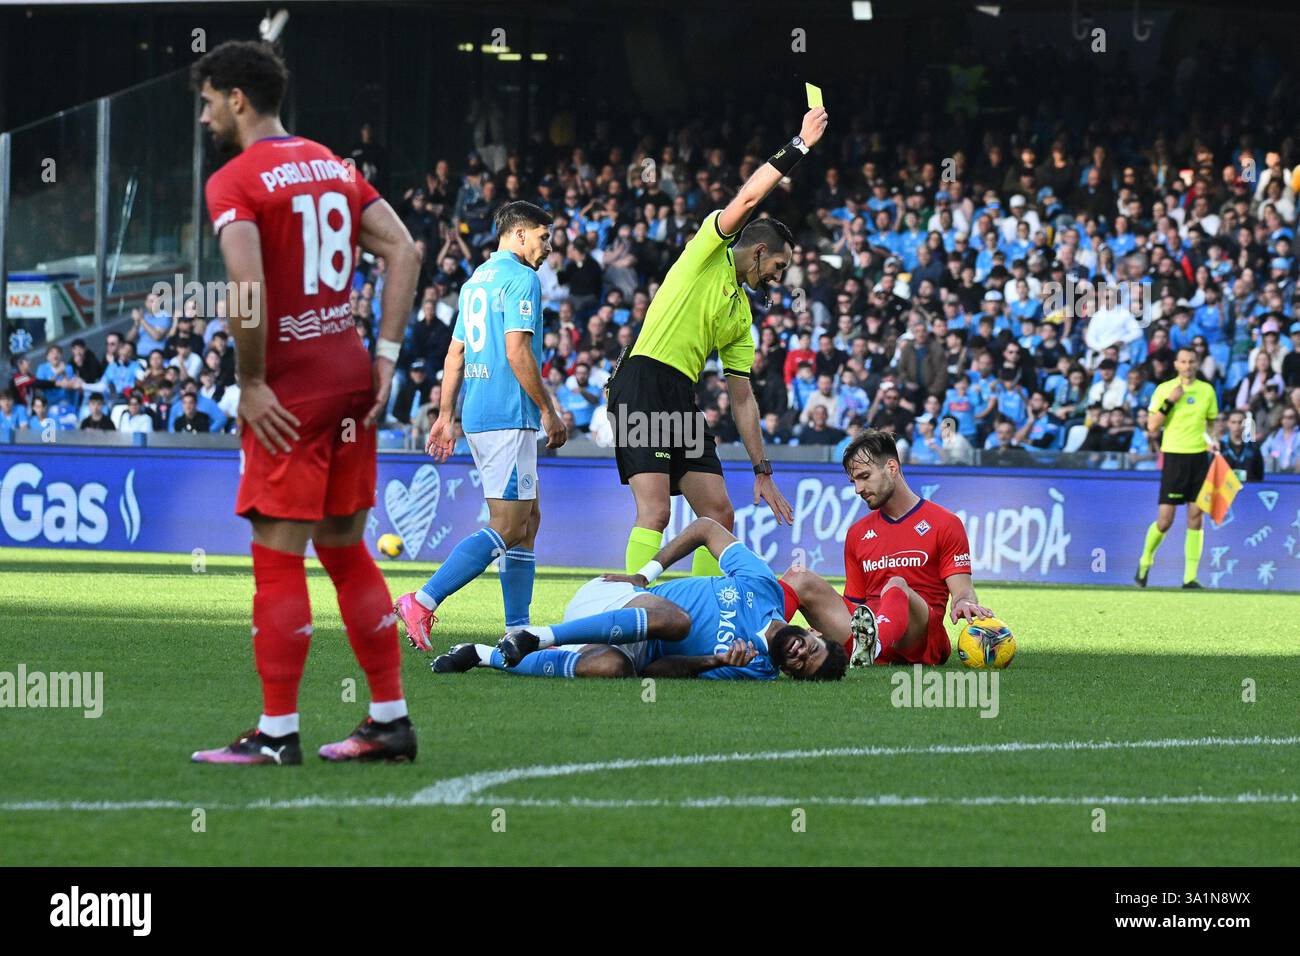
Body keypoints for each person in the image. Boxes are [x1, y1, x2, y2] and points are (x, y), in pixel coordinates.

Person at [189, 40, 421, 766]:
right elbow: (406, 251)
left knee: (277, 562)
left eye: (206, 101)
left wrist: (251, 382)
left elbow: (247, 291)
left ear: (236, 98)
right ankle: (389, 721)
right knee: (347, 551)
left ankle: (277, 732)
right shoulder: (333, 163)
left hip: (291, 390)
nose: (202, 117)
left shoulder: (235, 180)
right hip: (350, 376)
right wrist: (384, 355)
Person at [608, 107, 828, 581]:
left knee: (719, 516)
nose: (779, 278)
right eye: (779, 268)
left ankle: (704, 609)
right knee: (657, 514)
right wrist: (800, 146)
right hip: (643, 379)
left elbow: (743, 398)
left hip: (681, 396)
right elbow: (748, 199)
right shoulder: (707, 253)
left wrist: (762, 469)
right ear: (760, 251)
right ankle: (625, 606)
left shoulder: (741, 314)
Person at [396, 201, 566, 650]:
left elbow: (455, 355)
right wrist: (548, 409)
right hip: (508, 413)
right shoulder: (521, 278)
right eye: (544, 237)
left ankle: (517, 628)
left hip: (480, 412)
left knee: (528, 520)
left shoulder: (475, 282)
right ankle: (423, 600)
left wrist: (446, 416)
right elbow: (517, 352)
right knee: (509, 524)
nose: (549, 247)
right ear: (519, 235)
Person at [431, 517, 846, 682]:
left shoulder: (753, 669)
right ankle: (537, 636)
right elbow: (705, 527)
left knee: (614, 669)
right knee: (679, 621)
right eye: (811, 647)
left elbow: (655, 669)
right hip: (618, 597)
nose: (799, 652)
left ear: (790, 673)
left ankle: (483, 654)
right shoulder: (763, 586)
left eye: (801, 664)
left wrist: (715, 662)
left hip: (620, 640)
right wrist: (645, 573)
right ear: (811, 631)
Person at [781, 429, 994, 669]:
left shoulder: (945, 523)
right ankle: (758, 646)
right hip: (865, 639)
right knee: (798, 576)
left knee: (896, 584)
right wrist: (824, 628)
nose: (858, 489)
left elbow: (963, 592)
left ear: (892, 468)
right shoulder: (857, 533)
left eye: (864, 476)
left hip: (922, 639)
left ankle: (874, 643)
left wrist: (964, 603)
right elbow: (855, 603)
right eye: (854, 481)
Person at [1136, 347, 1219, 589]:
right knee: (1165, 520)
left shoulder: (1207, 390)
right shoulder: (1165, 390)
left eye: (1192, 361)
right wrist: (1170, 401)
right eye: (1183, 362)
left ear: (1197, 363)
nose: (1188, 366)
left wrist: (1213, 441)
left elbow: (1211, 424)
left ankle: (1189, 577)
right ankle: (1145, 560)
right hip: (1174, 456)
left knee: (1196, 516)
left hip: (1199, 457)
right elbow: (1152, 426)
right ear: (1176, 364)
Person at [1219, 409, 1263, 483]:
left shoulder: (1254, 447)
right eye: (1233, 422)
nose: (1237, 426)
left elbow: (1259, 475)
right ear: (1228, 424)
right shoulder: (1219, 447)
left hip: (1249, 491)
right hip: (1226, 491)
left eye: (1240, 422)